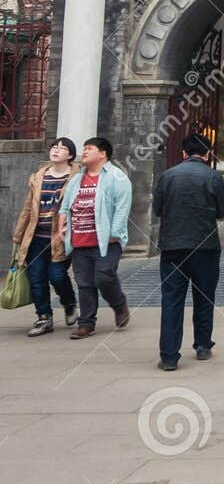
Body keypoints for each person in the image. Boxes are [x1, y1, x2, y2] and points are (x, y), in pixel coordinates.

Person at [151, 132, 224, 371]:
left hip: (172, 245)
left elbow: (158, 209)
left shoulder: (167, 176)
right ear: (207, 154)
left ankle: (169, 356)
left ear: (184, 153)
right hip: (205, 246)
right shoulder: (213, 176)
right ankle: (203, 345)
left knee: (172, 299)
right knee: (204, 296)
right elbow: (221, 211)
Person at [59, 137, 131, 339]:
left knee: (103, 276)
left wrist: (115, 234)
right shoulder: (76, 179)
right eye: (84, 149)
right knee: (84, 283)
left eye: (89, 149)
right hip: (80, 240)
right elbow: (65, 206)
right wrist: (61, 225)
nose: (84, 152)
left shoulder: (117, 177)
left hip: (107, 241)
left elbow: (122, 208)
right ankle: (86, 323)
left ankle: (119, 304)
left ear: (102, 153)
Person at [12, 137, 79, 336]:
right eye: (54, 147)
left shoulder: (76, 179)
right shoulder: (38, 177)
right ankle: (44, 317)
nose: (56, 150)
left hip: (59, 237)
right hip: (36, 237)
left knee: (57, 276)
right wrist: (18, 236)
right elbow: (27, 208)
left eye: (62, 148)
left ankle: (69, 303)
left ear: (71, 156)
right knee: (36, 278)